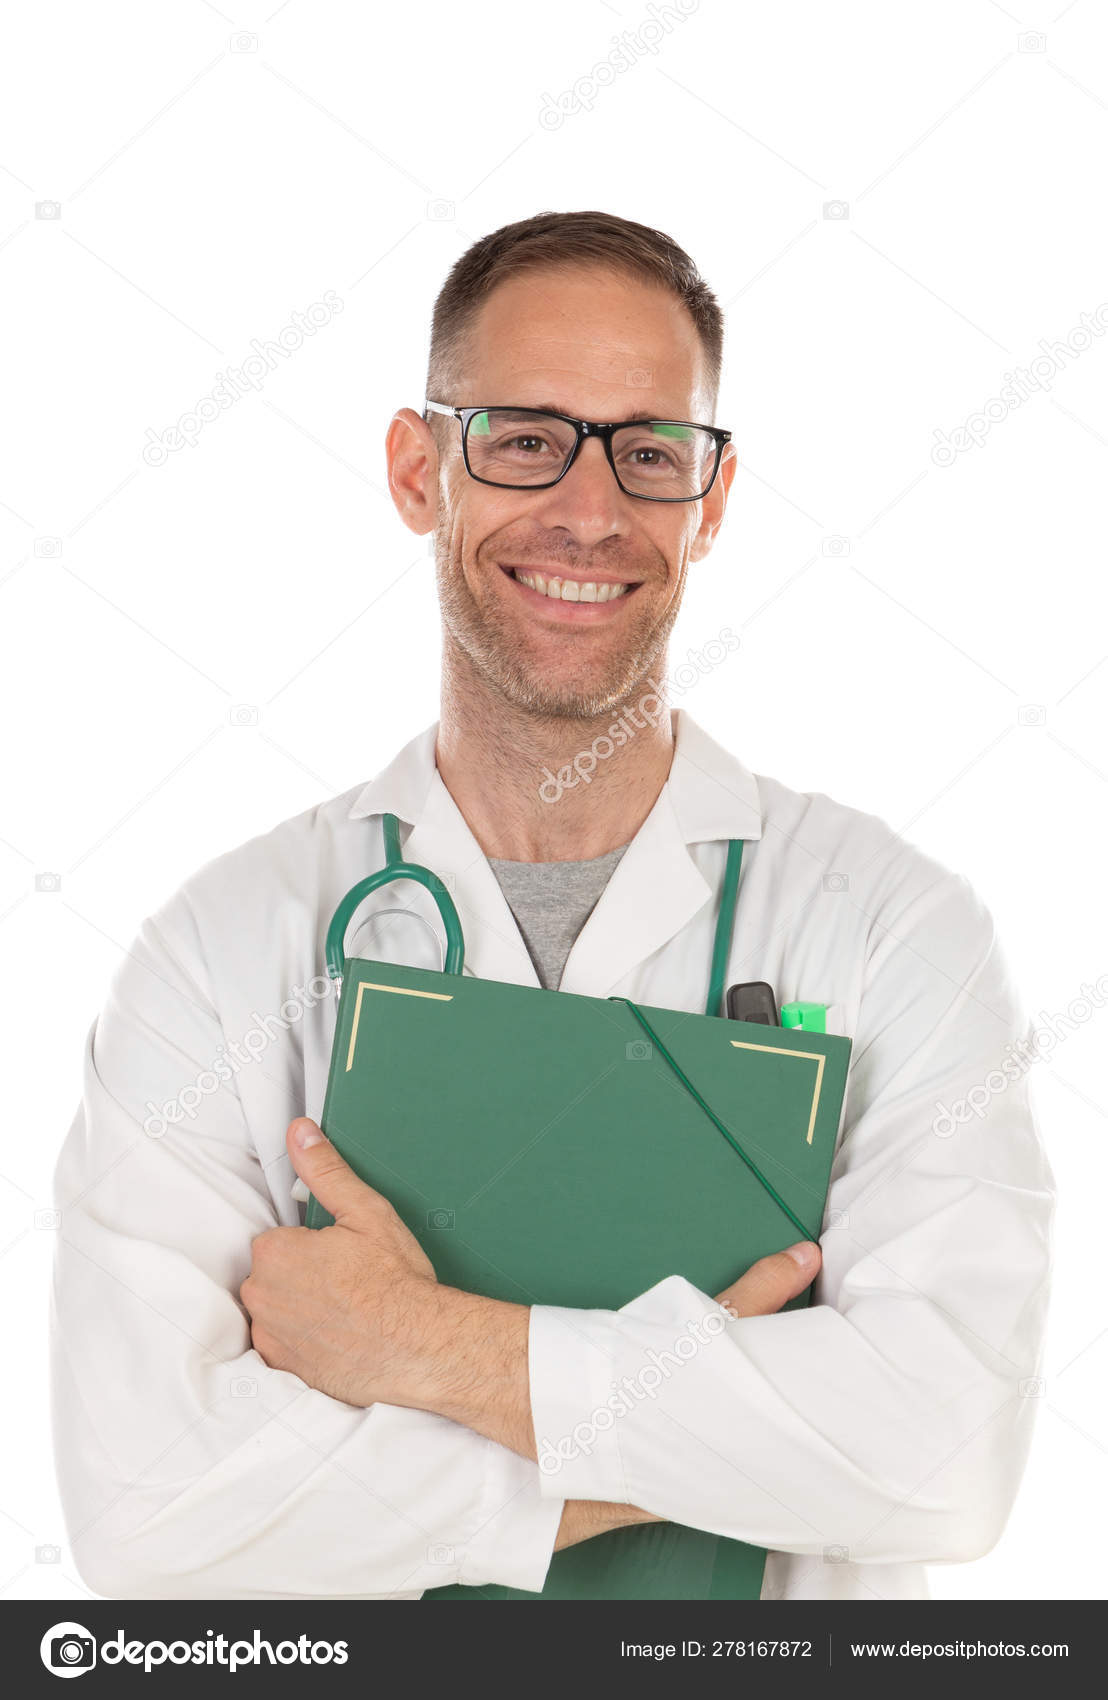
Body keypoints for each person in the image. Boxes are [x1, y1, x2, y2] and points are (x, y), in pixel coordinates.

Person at [51, 210, 1054, 1602]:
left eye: (649, 451)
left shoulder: (894, 926)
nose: (590, 511)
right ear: (419, 471)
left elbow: (946, 1458)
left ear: (711, 499)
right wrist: (709, 1434)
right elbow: (150, 1521)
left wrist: (425, 1348)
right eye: (525, 439)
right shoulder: (219, 952)